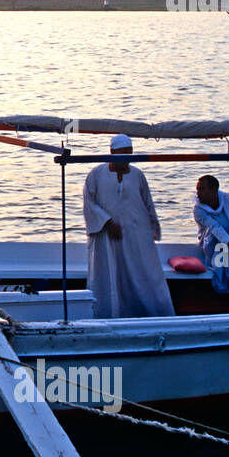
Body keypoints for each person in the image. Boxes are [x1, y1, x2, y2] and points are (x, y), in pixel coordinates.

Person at [82, 134, 175, 319]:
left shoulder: (137, 175)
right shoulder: (96, 174)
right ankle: (109, 315)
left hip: (136, 235)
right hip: (106, 236)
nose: (126, 161)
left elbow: (147, 203)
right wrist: (107, 222)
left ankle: (155, 315)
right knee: (110, 276)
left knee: (144, 274)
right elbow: (89, 203)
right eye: (122, 155)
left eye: (129, 156)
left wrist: (153, 230)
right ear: (112, 153)